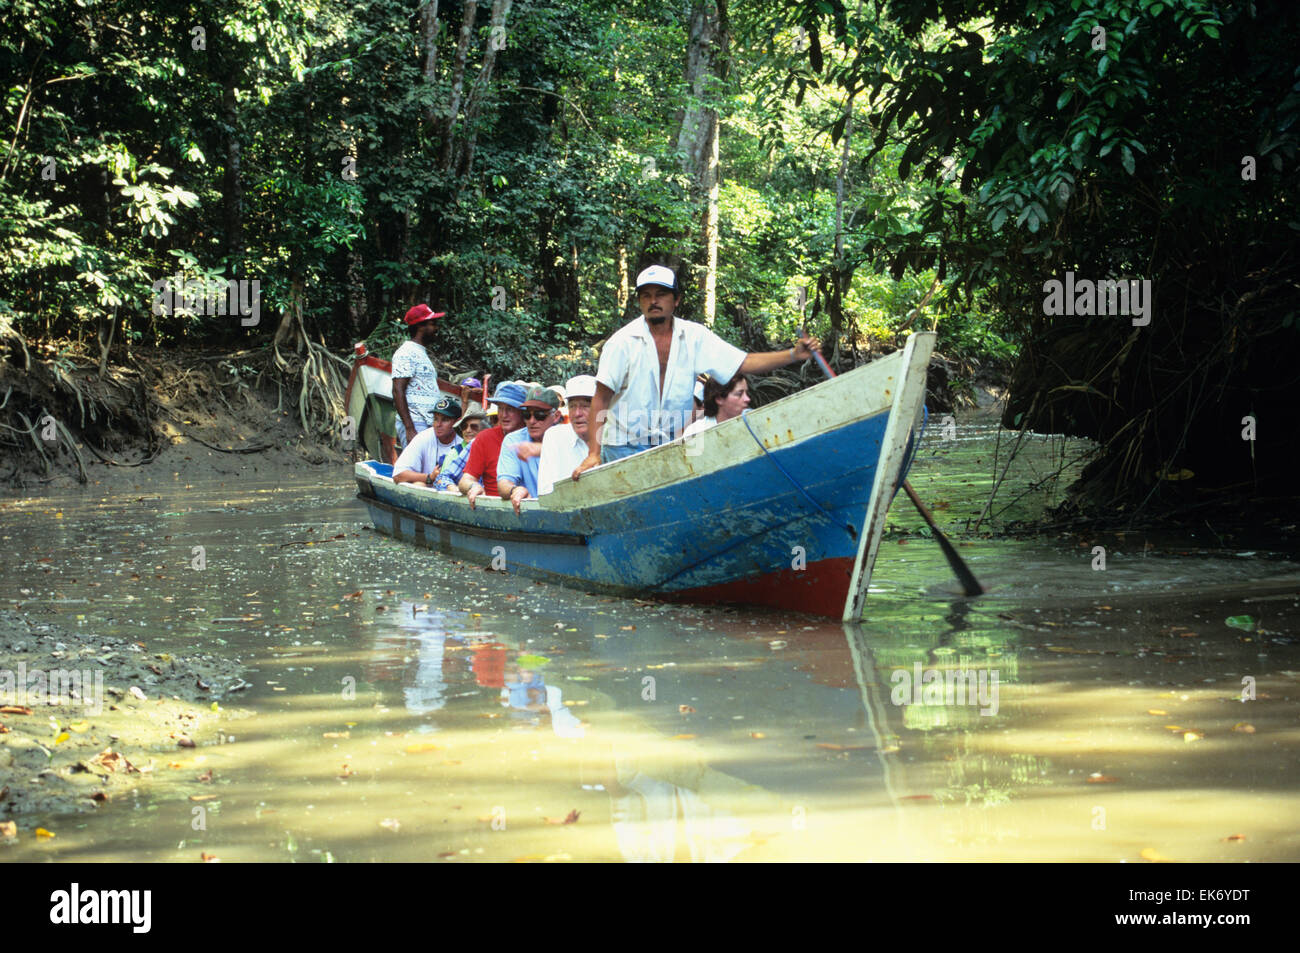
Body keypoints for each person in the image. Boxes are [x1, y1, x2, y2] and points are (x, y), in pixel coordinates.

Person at [572, 265, 819, 478]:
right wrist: (594, 453)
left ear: (676, 300)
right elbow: (601, 397)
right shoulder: (622, 342)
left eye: (661, 294)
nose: (653, 301)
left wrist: (792, 355)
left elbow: (742, 363)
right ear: (639, 302)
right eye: (645, 296)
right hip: (622, 445)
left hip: (670, 443)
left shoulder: (694, 336)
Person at [458, 381, 528, 507]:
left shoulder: (536, 435)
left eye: (510, 409)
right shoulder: (485, 438)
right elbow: (466, 479)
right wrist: (473, 486)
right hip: (496, 508)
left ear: (522, 412)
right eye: (500, 408)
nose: (503, 415)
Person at [497, 385, 562, 513]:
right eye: (527, 414)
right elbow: (504, 482)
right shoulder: (513, 440)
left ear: (556, 416)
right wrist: (514, 490)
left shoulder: (568, 438)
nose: (532, 421)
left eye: (539, 415)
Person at [392, 303, 446, 448]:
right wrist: (409, 428)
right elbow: (398, 390)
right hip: (416, 423)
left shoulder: (420, 352)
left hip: (426, 423)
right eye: (432, 324)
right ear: (420, 326)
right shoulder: (406, 352)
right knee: (416, 470)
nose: (436, 328)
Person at [538, 375, 596, 496]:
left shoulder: (612, 439)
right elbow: (546, 491)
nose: (577, 413)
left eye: (585, 406)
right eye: (572, 406)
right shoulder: (555, 437)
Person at [392, 395, 464, 486]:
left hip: (451, 491)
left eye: (445, 420)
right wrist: (430, 477)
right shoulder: (423, 437)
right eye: (435, 419)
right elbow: (398, 475)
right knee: (419, 484)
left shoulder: (463, 444)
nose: (438, 424)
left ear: (457, 422)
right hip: (425, 490)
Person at [681, 373, 751, 439]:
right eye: (739, 394)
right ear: (719, 398)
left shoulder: (754, 423)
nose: (747, 399)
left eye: (746, 393)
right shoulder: (695, 432)